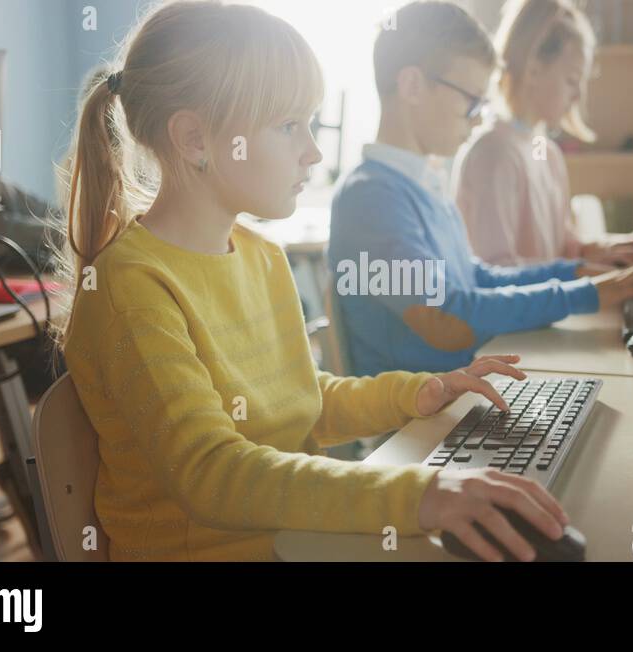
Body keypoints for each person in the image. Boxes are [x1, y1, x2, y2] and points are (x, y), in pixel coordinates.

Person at [52, 0, 568, 563]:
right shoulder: (133, 286)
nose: (314, 151)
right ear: (195, 140)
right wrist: (421, 494)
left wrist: (421, 390)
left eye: (311, 123)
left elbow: (305, 400)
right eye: (289, 125)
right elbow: (211, 473)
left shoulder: (262, 258)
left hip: (295, 542)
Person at [328, 1, 633, 377]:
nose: (478, 116)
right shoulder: (371, 199)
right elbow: (448, 320)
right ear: (412, 85)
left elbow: (479, 278)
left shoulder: (423, 183)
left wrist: (578, 274)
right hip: (417, 420)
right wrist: (585, 294)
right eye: (471, 99)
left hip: (461, 386)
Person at [454, 0, 633, 268]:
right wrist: (583, 274)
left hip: (551, 306)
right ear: (533, 69)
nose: (578, 96)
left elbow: (562, 247)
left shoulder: (545, 150)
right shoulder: (493, 154)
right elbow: (496, 270)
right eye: (572, 81)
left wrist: (608, 248)